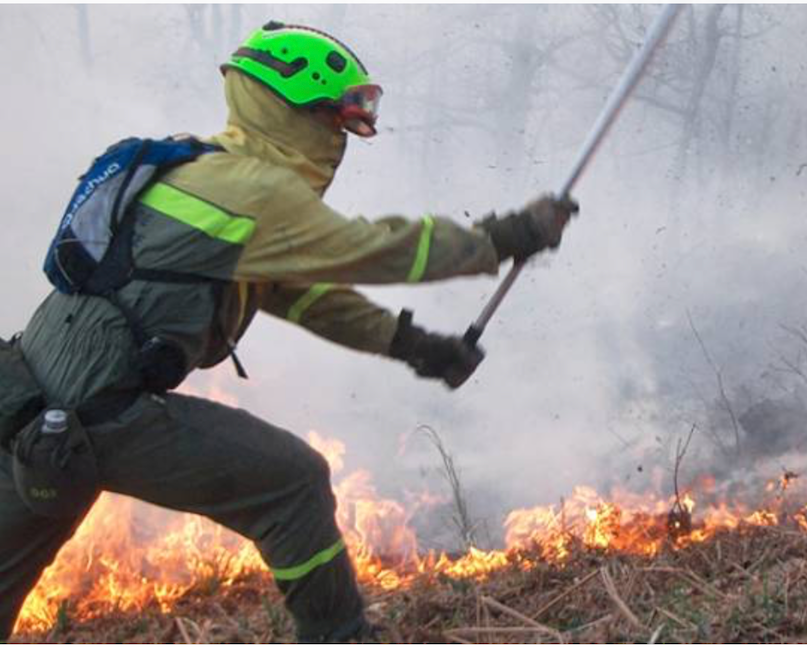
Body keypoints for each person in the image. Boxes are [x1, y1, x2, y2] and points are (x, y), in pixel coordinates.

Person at [0, 22, 578, 642]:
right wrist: (503, 236)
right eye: (338, 122)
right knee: (292, 483)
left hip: (25, 402)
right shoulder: (260, 191)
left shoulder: (197, 162)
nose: (342, 140)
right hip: (102, 413)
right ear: (298, 108)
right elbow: (372, 250)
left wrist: (412, 345)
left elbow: (297, 296)